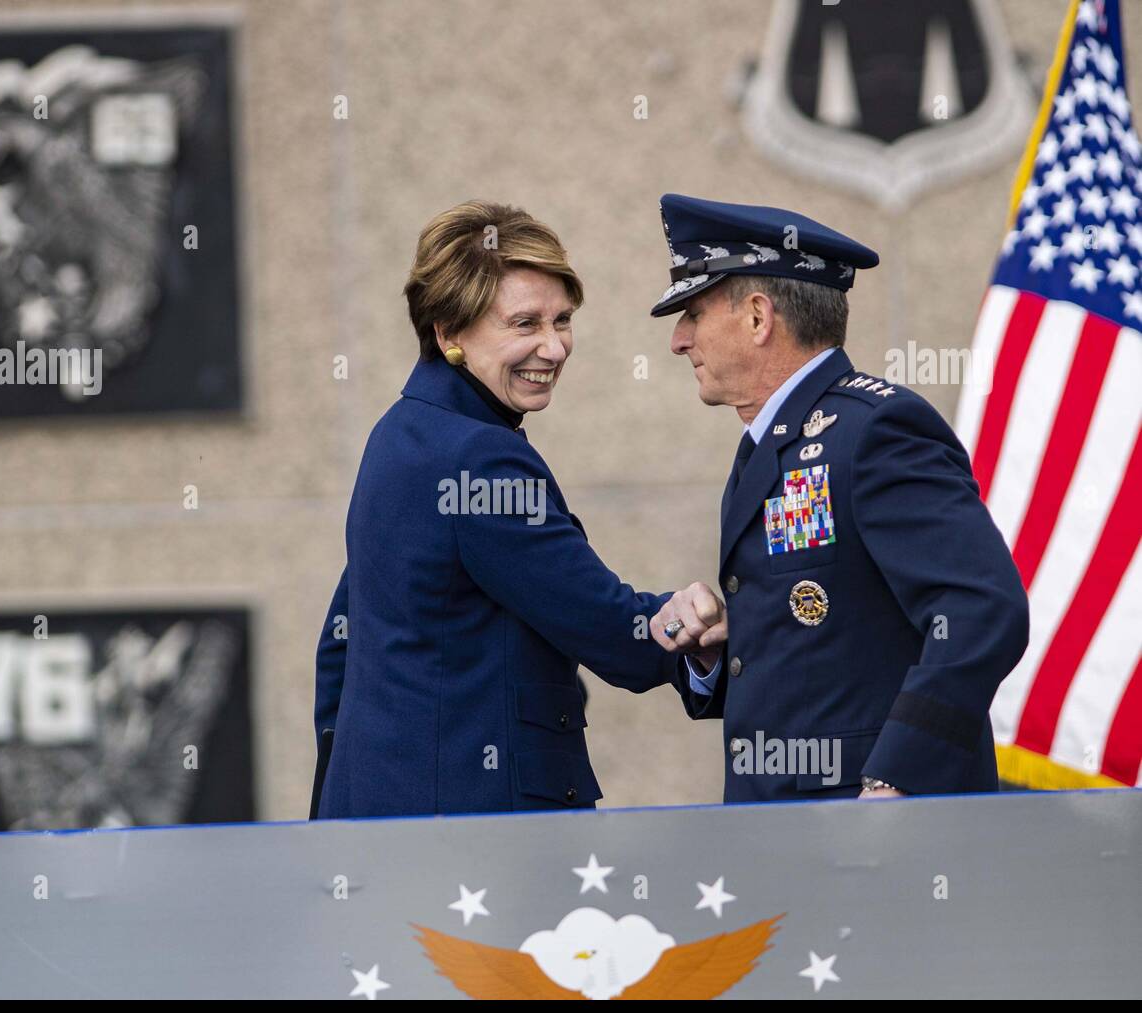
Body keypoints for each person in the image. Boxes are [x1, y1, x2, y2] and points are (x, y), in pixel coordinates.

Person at [311, 200, 720, 820]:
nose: (553, 348)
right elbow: (610, 631)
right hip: (478, 835)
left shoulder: (402, 432)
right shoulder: (479, 455)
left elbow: (342, 643)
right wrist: (700, 626)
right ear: (449, 334)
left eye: (563, 320)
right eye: (524, 324)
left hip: (388, 811)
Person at [648, 194, 1029, 802]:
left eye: (693, 312)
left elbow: (983, 610)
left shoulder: (876, 429)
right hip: (785, 827)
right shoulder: (769, 444)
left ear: (757, 317)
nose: (679, 340)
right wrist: (718, 650)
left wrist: (898, 776)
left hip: (873, 832)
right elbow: (823, 644)